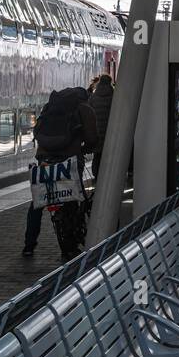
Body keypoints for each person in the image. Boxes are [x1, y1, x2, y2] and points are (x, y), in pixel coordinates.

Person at [22, 86, 99, 259]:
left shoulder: (50, 106)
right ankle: (70, 246)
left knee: (38, 201)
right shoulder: (84, 108)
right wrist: (87, 147)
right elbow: (92, 137)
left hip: (44, 159)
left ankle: (28, 244)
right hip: (69, 159)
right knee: (71, 197)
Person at [86, 74, 114, 174]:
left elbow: (88, 111)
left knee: (97, 154)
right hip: (109, 131)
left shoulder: (93, 97)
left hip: (97, 130)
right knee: (107, 154)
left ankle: (96, 173)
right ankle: (107, 174)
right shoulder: (114, 96)